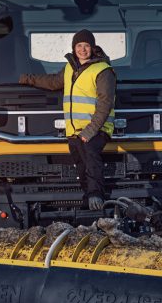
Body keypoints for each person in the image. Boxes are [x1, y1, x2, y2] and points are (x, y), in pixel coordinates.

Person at [19, 29, 115, 211]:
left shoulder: (103, 70)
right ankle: (89, 203)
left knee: (91, 159)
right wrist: (27, 79)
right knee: (81, 166)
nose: (83, 49)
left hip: (96, 129)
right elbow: (53, 82)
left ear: (93, 48)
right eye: (79, 45)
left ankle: (96, 196)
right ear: (74, 47)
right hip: (74, 131)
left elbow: (105, 104)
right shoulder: (71, 67)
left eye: (86, 45)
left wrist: (90, 131)